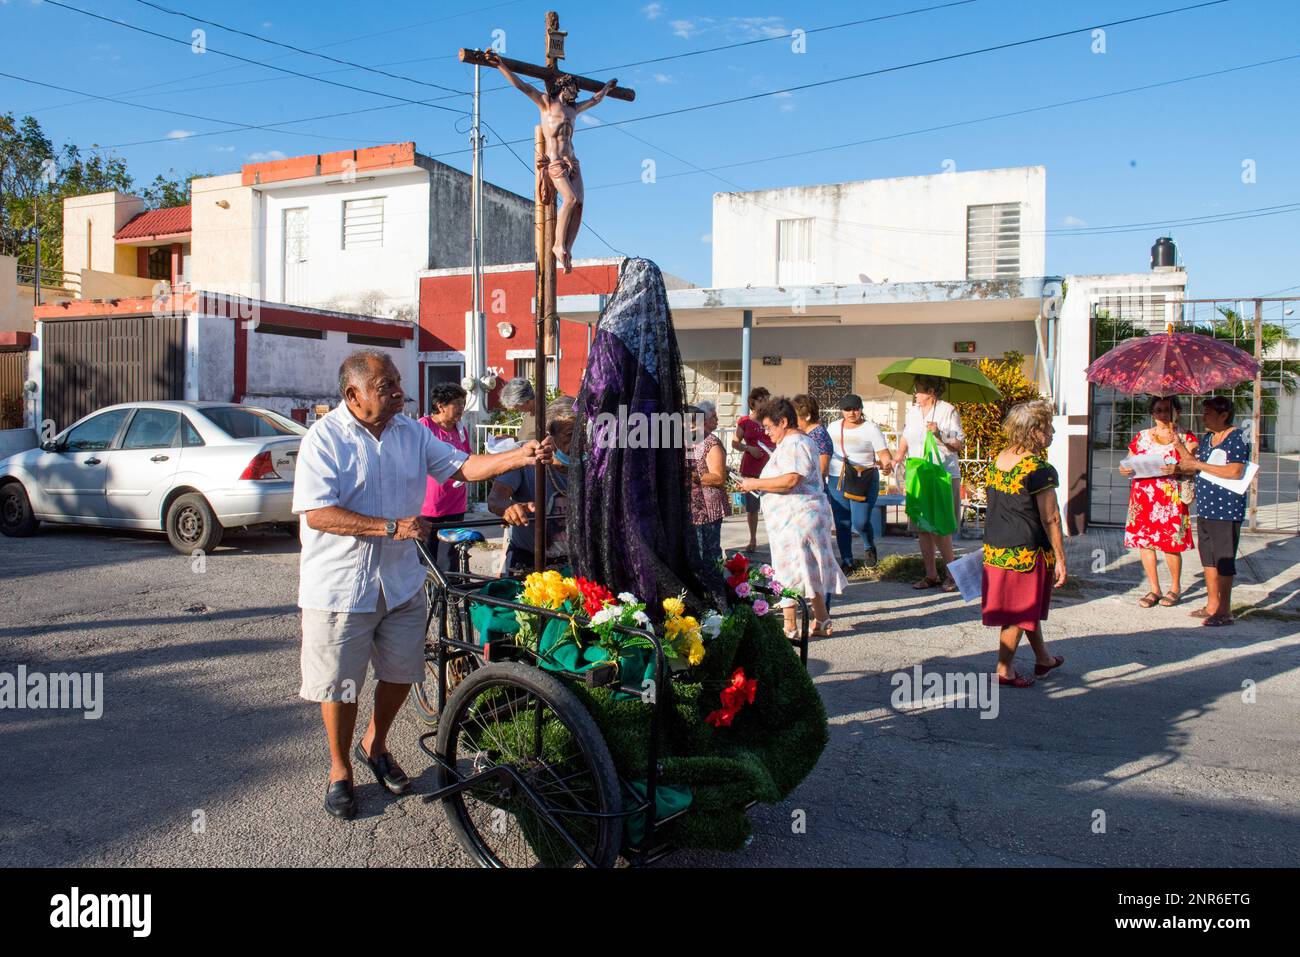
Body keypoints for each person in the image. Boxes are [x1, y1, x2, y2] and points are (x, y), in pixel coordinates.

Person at [293, 350, 552, 820]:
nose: (398, 392)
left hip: (400, 581)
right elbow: (318, 513)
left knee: (401, 673)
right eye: (385, 385)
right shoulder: (324, 439)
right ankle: (339, 769)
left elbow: (464, 467)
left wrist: (521, 453)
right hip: (339, 586)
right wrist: (391, 527)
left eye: (397, 382)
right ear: (353, 394)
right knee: (341, 684)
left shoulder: (410, 433)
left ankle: (376, 742)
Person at [484, 47, 616, 272]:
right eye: (573, 89)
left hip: (572, 162)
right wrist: (500, 65)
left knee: (580, 204)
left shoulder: (573, 110)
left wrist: (606, 88)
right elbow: (522, 86)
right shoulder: (546, 104)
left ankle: (567, 247)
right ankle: (556, 245)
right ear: (564, 87)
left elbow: (594, 101)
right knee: (571, 199)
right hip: (556, 163)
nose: (576, 93)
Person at [737, 396, 846, 637]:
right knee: (808, 569)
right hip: (801, 516)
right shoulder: (798, 441)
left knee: (788, 569)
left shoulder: (795, 443)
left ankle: (790, 626)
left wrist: (754, 482)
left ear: (783, 421)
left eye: (769, 427)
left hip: (796, 518)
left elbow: (791, 479)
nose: (766, 433)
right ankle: (822, 621)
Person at [982, 400, 1066, 688]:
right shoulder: (1039, 468)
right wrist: (1061, 559)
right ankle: (1004, 670)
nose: (1053, 432)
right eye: (1048, 427)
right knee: (1019, 612)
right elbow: (1051, 518)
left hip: (996, 550)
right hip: (1026, 553)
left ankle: (1043, 658)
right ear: (1034, 431)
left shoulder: (998, 460)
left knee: (1023, 608)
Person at [1169, 395, 1249, 627]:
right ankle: (1212, 604)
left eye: (1208, 412)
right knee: (1209, 558)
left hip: (1226, 509)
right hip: (1206, 507)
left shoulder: (1237, 436)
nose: (1203, 416)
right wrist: (1178, 445)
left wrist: (1197, 465)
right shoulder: (1209, 438)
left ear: (1223, 415)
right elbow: (1192, 463)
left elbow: (1235, 471)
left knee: (1224, 559)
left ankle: (1225, 610)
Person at [1118, 395, 1199, 608]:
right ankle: (1154, 589)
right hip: (1144, 495)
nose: (1163, 415)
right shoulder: (1142, 436)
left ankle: (1175, 588)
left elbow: (1193, 465)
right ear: (1152, 414)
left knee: (1171, 544)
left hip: (1170, 496)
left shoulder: (1186, 436)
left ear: (1177, 412)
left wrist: (1178, 451)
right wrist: (1124, 468)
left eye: (1167, 410)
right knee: (1145, 542)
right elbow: (1128, 462)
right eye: (1158, 410)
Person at [489, 395, 576, 576]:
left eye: (581, 435)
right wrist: (509, 508)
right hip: (529, 561)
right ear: (549, 436)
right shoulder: (525, 460)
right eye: (569, 435)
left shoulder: (589, 464)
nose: (577, 443)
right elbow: (496, 499)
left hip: (574, 561)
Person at [896, 375, 964, 591]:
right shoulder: (913, 411)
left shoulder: (948, 411)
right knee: (922, 528)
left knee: (940, 527)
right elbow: (906, 436)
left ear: (932, 392)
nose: (916, 394)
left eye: (920, 390)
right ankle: (931, 574)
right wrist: (899, 456)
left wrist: (940, 434)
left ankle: (952, 574)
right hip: (918, 474)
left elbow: (958, 444)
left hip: (942, 474)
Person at [824, 393, 894, 571]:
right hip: (836, 478)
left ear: (861, 410)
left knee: (860, 521)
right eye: (847, 409)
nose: (851, 413)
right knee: (842, 522)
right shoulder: (833, 427)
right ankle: (847, 561)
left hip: (863, 478)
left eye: (855, 409)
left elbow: (884, 454)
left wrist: (886, 465)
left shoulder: (870, 429)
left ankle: (868, 545)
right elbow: (824, 449)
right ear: (841, 411)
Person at [419, 383, 471, 571]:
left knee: (450, 559)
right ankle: (429, 598)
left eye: (463, 404)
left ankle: (450, 598)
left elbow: (467, 457)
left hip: (455, 503)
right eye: (457, 404)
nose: (461, 409)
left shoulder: (460, 429)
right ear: (441, 406)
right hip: (429, 506)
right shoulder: (425, 426)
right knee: (427, 560)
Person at [688, 400, 728, 576]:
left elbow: (719, 477)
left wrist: (693, 477)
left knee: (710, 555)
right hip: (691, 509)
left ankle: (718, 593)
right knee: (695, 555)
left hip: (708, 508)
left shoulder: (711, 443)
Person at [732, 386, 774, 553]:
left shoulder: (773, 419)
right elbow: (735, 443)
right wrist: (749, 448)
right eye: (761, 399)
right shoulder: (744, 421)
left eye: (766, 399)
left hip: (771, 468)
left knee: (773, 505)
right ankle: (753, 539)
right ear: (753, 402)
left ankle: (775, 539)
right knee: (752, 507)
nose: (764, 402)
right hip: (751, 467)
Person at [792, 393, 832, 480]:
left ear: (807, 416)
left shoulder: (819, 435)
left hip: (814, 491)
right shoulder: (807, 433)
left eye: (795, 417)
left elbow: (822, 470)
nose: (793, 421)